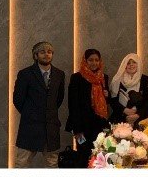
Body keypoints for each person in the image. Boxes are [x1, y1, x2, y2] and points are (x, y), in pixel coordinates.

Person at [12, 39, 65, 167]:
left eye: (49, 52)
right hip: (30, 126)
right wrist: (30, 113)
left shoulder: (59, 74)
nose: (46, 54)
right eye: (42, 52)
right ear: (35, 55)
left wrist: (48, 112)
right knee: (22, 164)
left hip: (50, 127)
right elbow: (18, 99)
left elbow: (58, 99)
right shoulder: (25, 74)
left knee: (52, 164)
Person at [67, 48, 111, 158]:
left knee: (101, 155)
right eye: (91, 60)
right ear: (85, 61)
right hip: (82, 126)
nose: (94, 63)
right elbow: (73, 104)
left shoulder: (103, 77)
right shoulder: (77, 77)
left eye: (97, 60)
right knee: (83, 154)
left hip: (100, 125)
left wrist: (107, 95)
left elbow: (106, 102)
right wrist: (77, 130)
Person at [108, 54, 148, 127]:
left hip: (140, 119)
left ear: (138, 64)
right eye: (128, 63)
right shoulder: (117, 80)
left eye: (134, 62)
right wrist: (124, 110)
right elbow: (113, 100)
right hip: (120, 119)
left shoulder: (146, 80)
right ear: (124, 65)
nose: (131, 65)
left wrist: (137, 115)